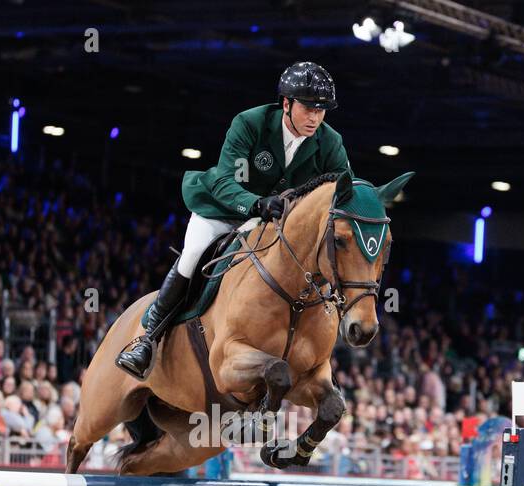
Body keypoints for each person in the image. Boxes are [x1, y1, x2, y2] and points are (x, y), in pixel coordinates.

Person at [115, 61, 351, 379]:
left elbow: (345, 189)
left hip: (275, 222)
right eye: (308, 108)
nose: (315, 118)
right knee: (194, 255)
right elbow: (226, 182)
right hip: (225, 210)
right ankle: (147, 340)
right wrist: (254, 204)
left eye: (321, 111)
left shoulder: (329, 141)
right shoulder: (250, 123)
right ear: (286, 103)